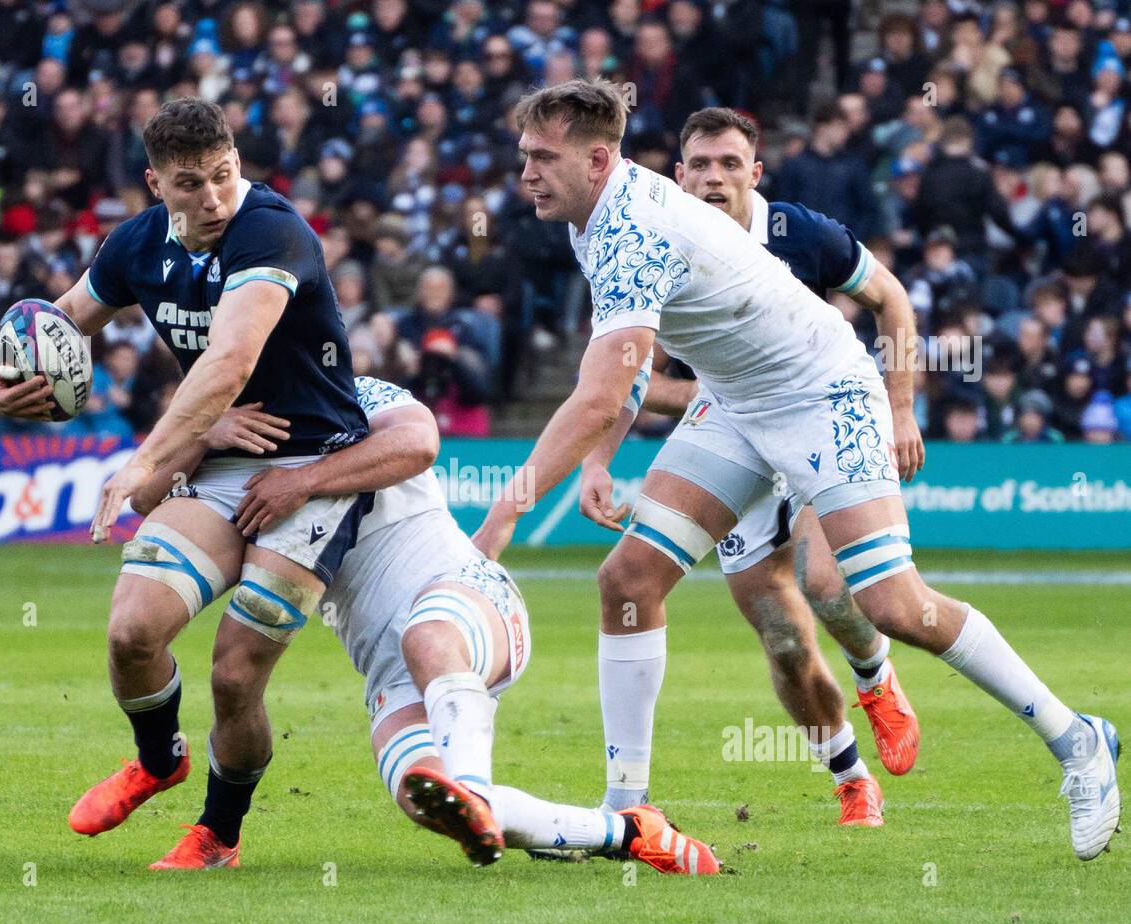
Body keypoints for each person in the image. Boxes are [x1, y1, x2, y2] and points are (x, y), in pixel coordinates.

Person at [473, 79, 1119, 863]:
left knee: (892, 603)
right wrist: (599, 459)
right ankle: (628, 815)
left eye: (542, 156)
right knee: (628, 581)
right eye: (524, 156)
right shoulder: (593, 218)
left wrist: (507, 510)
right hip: (736, 403)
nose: (526, 172)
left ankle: (1076, 737)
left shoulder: (636, 228)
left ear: (598, 158)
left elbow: (604, 388)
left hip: (825, 391)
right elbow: (628, 374)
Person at [0, 97, 370, 870]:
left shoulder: (272, 231)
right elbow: (50, 326)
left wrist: (146, 461)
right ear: (156, 184)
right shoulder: (135, 247)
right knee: (132, 631)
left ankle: (218, 834)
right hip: (221, 460)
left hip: (315, 468)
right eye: (190, 184)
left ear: (239, 165)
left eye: (224, 176)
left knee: (233, 671)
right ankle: (160, 760)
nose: (213, 198)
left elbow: (229, 361)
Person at [130, 376, 719, 876]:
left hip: (465, 598)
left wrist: (501, 518)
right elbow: (147, 497)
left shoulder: (356, 394)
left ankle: (473, 783)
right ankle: (626, 831)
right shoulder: (234, 436)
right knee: (423, 796)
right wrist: (202, 434)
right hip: (388, 671)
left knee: (427, 637)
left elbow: (420, 438)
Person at [588, 105, 925, 827]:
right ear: (679, 176)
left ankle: (876, 675)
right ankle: (851, 778)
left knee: (828, 582)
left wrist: (900, 408)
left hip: (815, 421)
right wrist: (614, 447)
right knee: (780, 634)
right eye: (700, 166)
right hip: (729, 439)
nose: (713, 178)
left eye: (729, 164)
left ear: (754, 172)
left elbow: (891, 299)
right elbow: (632, 373)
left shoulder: (797, 233)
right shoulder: (660, 238)